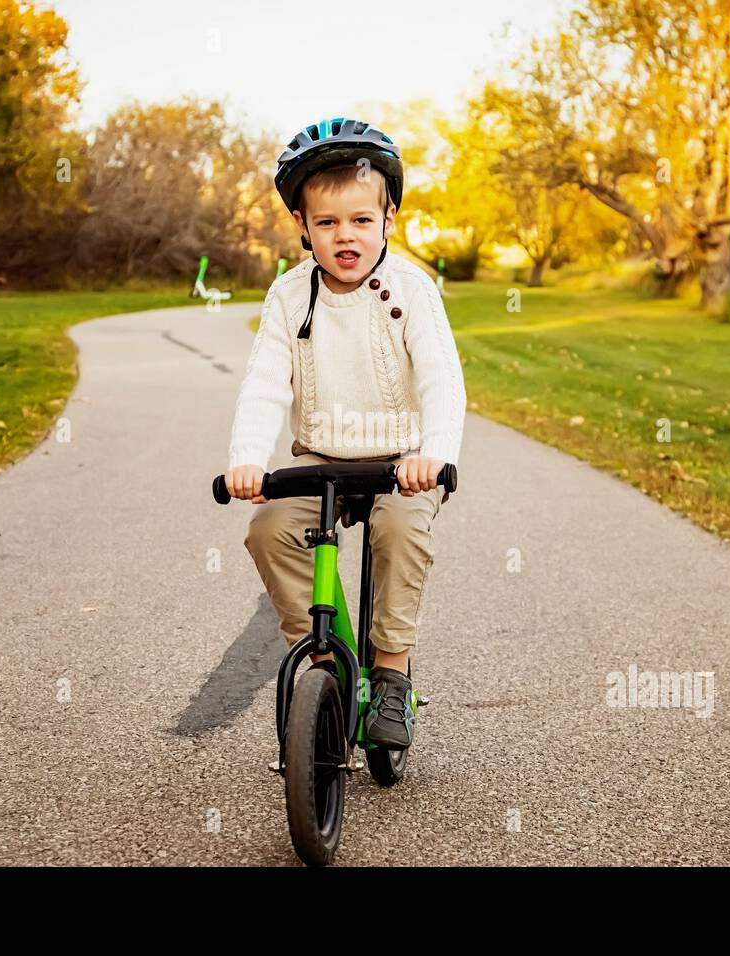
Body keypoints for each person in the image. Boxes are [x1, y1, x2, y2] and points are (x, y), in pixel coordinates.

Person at [223, 118, 466, 749]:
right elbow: (265, 383)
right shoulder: (287, 295)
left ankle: (390, 670)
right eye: (327, 223)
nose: (345, 236)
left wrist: (432, 456)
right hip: (322, 463)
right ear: (303, 227)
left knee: (401, 527)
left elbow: (442, 379)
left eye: (361, 220)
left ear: (389, 219)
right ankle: (328, 669)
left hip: (399, 465)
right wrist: (248, 460)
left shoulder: (413, 289)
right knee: (269, 531)